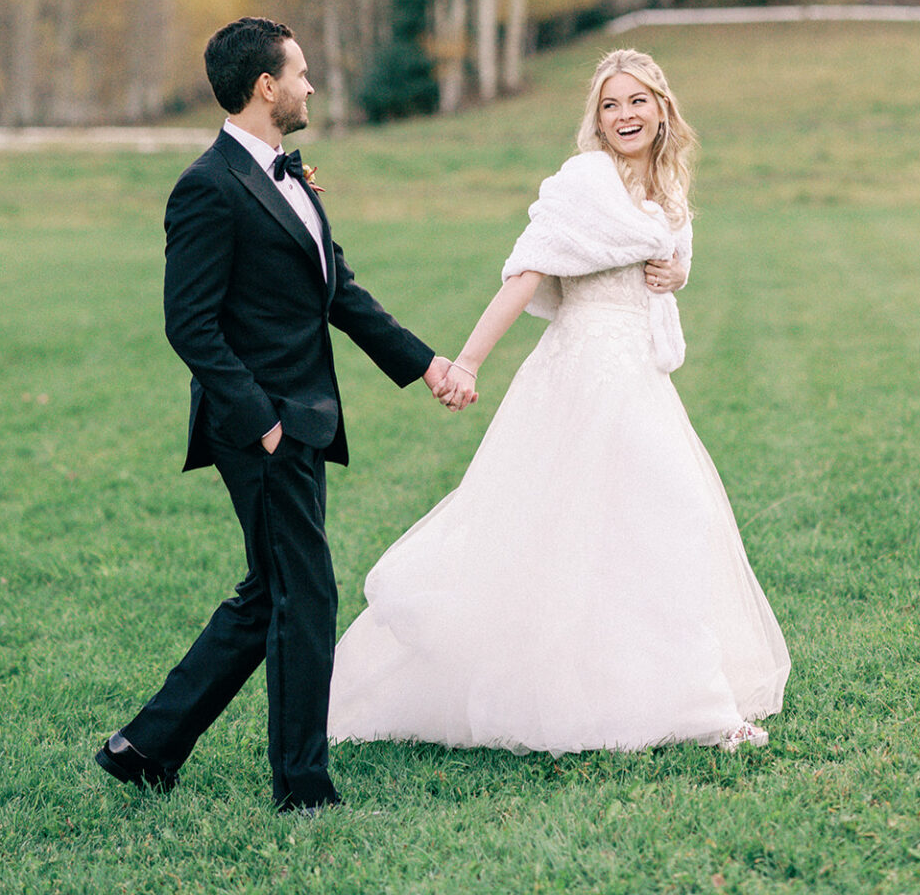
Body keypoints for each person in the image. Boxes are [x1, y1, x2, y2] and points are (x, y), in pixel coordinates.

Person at [328, 48, 790, 756]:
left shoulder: (666, 194)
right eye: (610, 104)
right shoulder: (584, 183)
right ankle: (636, 700)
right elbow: (528, 271)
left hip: (641, 379)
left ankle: (691, 699)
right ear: (596, 120)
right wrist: (469, 360)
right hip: (580, 376)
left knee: (667, 524)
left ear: (662, 109)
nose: (625, 115)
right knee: (561, 534)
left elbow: (670, 263)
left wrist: (676, 268)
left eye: (638, 101)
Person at [95, 17, 460, 810]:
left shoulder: (286, 176)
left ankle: (147, 745)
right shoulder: (207, 186)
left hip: (303, 417)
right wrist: (261, 418)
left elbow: (339, 293)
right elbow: (188, 323)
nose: (309, 86)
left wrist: (425, 363)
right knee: (306, 591)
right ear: (266, 86)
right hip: (262, 426)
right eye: (300, 72)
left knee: (274, 588)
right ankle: (301, 785)